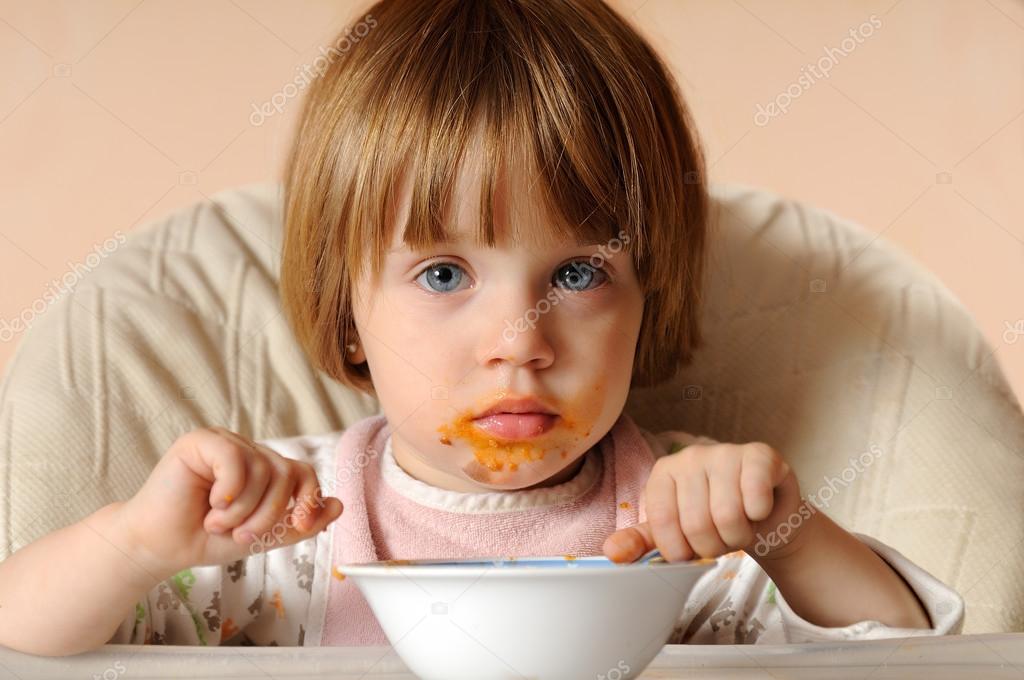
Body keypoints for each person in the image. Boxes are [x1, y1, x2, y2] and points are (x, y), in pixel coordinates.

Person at [0, 0, 963, 656]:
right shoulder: (281, 534)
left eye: (579, 272)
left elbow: (917, 656)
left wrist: (785, 531)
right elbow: (19, 639)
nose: (519, 339)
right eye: (445, 272)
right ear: (347, 313)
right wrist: (135, 546)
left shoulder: (689, 531)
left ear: (648, 302)